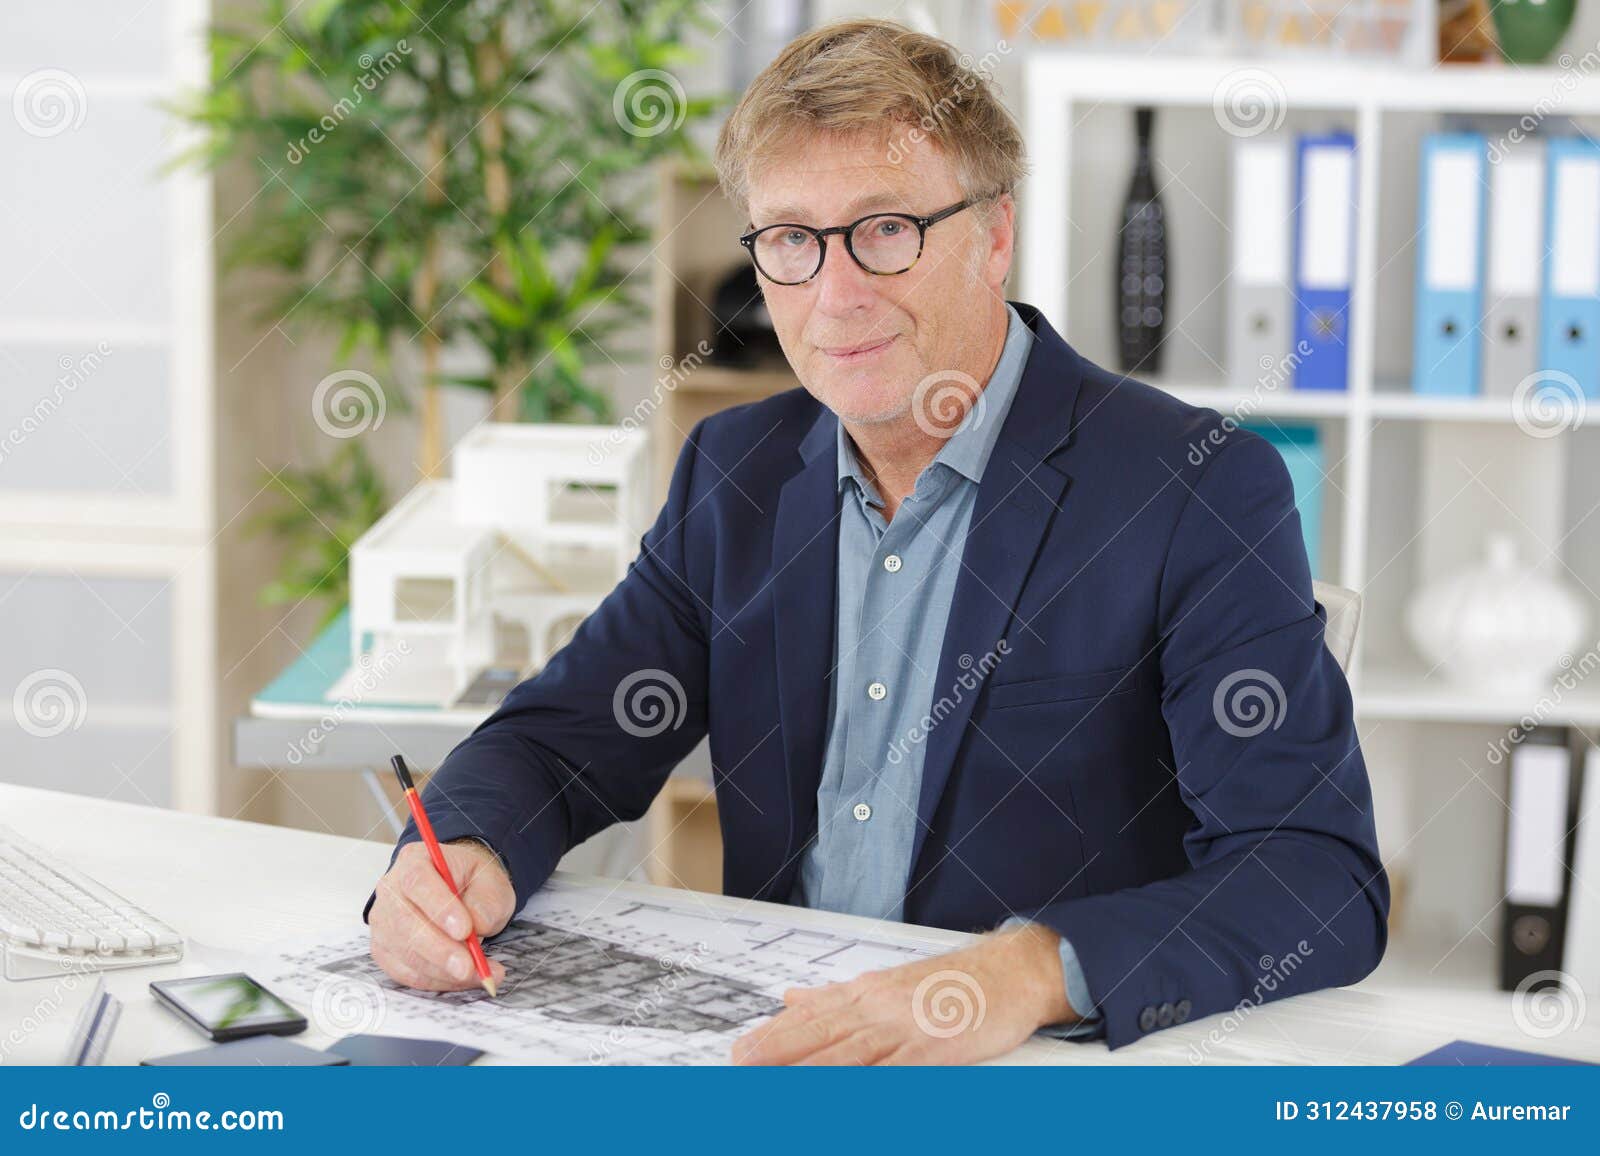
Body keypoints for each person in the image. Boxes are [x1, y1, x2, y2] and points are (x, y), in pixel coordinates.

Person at [366, 17, 1388, 1064]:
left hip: (1032, 1073)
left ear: (994, 236)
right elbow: (556, 741)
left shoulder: (1192, 485)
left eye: (887, 229)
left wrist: (1023, 971)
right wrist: (453, 859)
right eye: (791, 241)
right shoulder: (737, 475)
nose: (834, 295)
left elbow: (1313, 874)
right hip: (786, 1062)